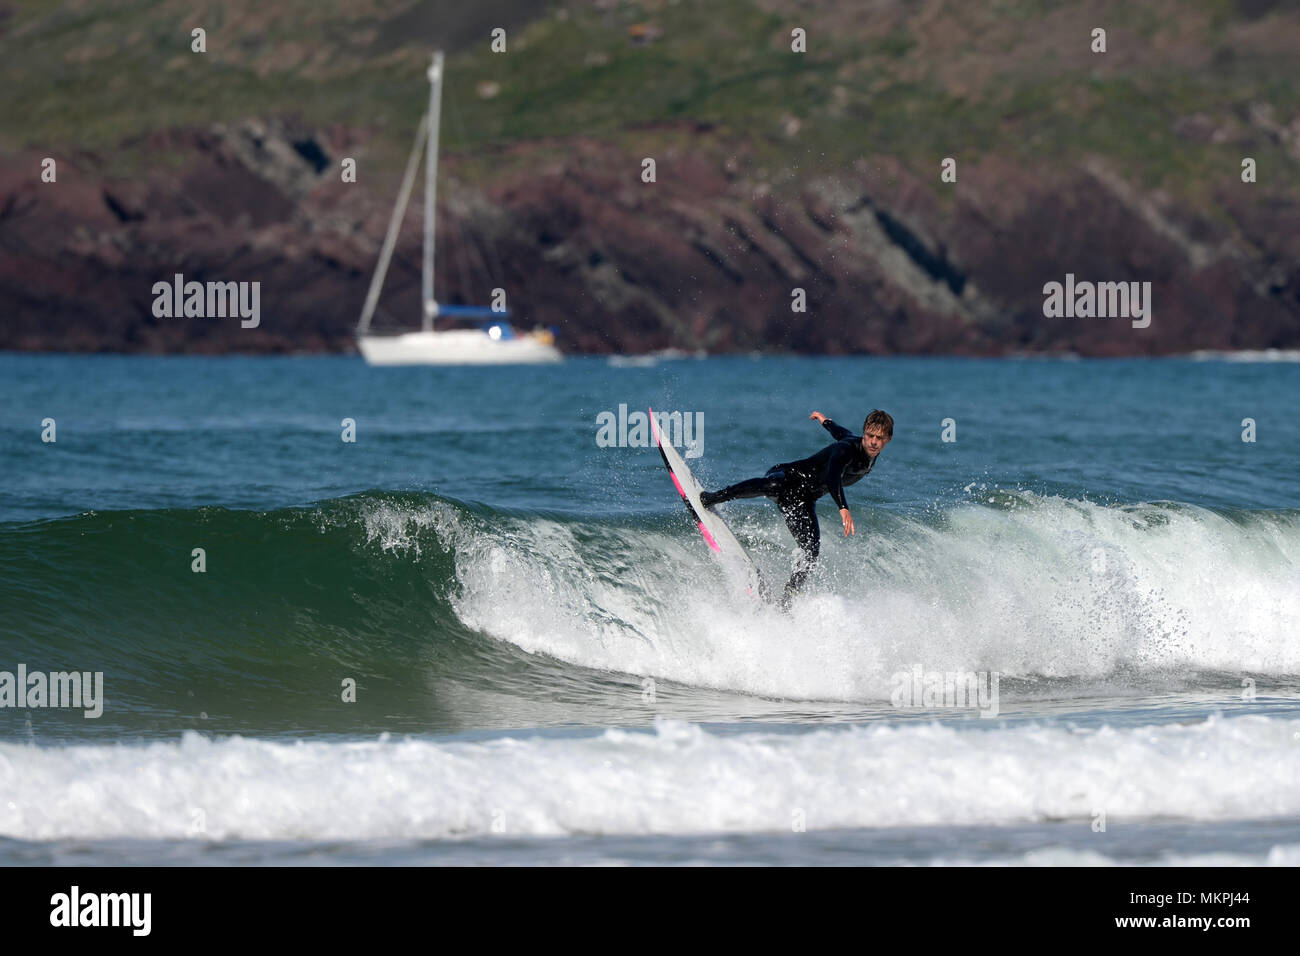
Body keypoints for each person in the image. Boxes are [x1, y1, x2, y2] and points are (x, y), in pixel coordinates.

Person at [700, 409, 893, 608]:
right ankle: (713, 498)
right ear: (864, 433)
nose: (873, 441)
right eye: (870, 435)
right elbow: (832, 475)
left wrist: (825, 421)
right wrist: (843, 507)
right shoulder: (846, 450)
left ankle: (787, 600)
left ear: (888, 438)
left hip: (804, 501)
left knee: (811, 551)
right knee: (773, 487)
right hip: (789, 477)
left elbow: (839, 431)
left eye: (879, 437)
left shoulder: (866, 453)